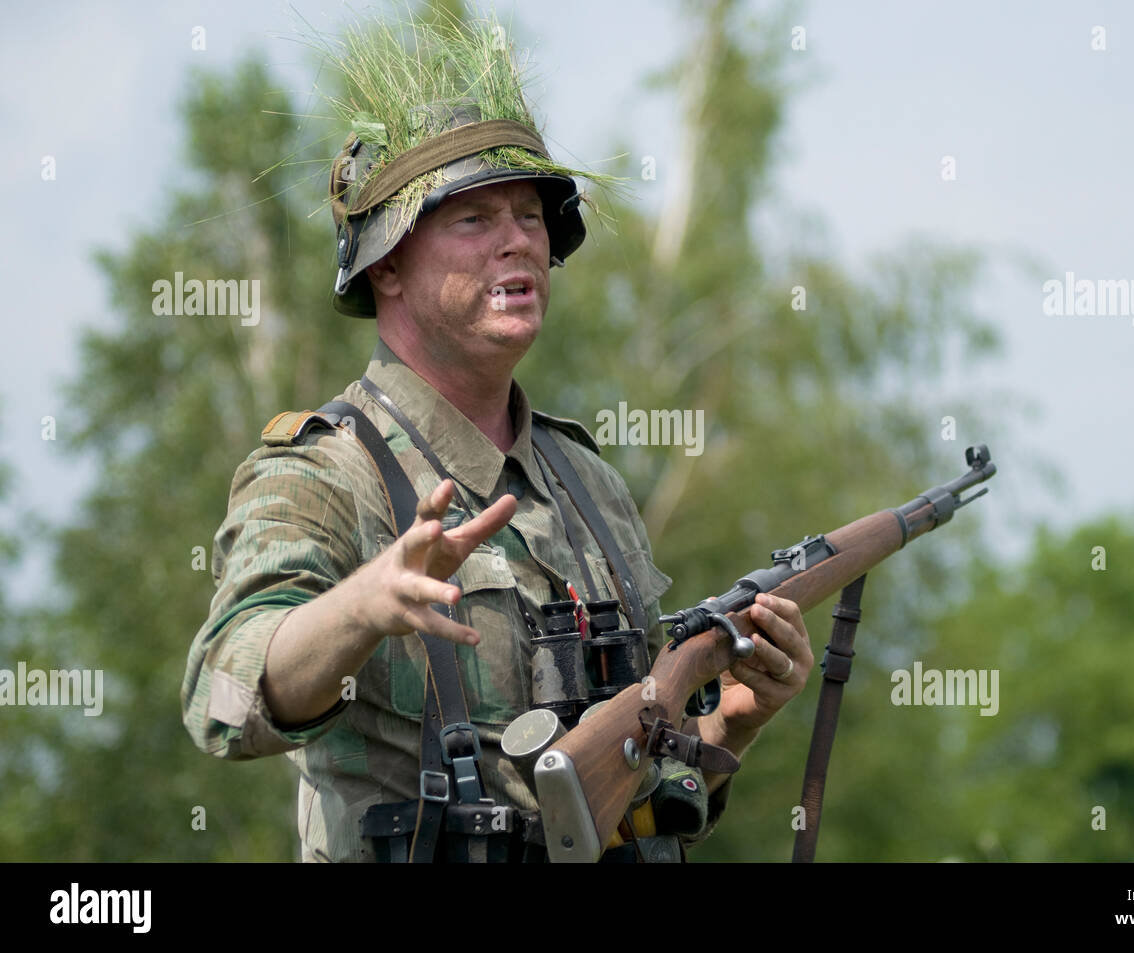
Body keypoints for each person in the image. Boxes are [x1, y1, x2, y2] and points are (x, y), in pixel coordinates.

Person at [181, 15, 812, 863]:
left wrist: (735, 717)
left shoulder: (586, 482)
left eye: (529, 215)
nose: (517, 238)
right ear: (388, 265)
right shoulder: (327, 471)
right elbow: (222, 695)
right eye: (473, 219)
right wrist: (362, 604)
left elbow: (636, 790)